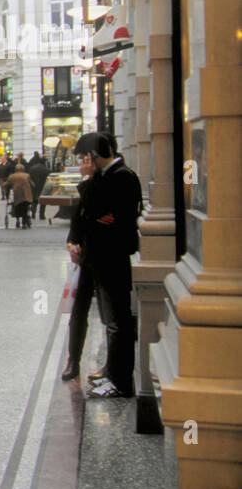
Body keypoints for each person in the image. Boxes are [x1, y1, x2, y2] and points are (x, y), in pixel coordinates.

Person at [66, 133, 142, 398]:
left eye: (86, 158)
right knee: (110, 319)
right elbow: (89, 215)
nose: (84, 163)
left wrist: (90, 187)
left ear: (95, 156)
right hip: (97, 255)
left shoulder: (122, 176)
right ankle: (112, 373)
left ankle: (122, 383)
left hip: (113, 256)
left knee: (118, 320)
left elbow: (102, 212)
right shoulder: (104, 177)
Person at [61, 151, 100, 381]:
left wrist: (87, 180)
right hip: (86, 257)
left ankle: (112, 368)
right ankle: (73, 360)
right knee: (78, 311)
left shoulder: (111, 180)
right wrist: (72, 241)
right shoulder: (90, 183)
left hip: (107, 257)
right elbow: (80, 217)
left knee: (111, 315)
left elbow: (96, 210)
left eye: (87, 160)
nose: (83, 165)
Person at [4, 161, 33, 228]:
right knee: (25, 208)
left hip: (17, 195)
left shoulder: (12, 176)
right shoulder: (27, 175)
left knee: (17, 207)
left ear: (15, 169)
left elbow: (6, 184)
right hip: (26, 196)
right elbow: (32, 184)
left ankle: (18, 220)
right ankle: (24, 221)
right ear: (23, 169)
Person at [28, 157, 51, 222]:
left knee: (34, 201)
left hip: (34, 187)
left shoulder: (32, 168)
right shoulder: (46, 170)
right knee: (43, 202)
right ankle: (41, 215)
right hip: (43, 187)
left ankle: (33, 213)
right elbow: (49, 179)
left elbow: (29, 177)